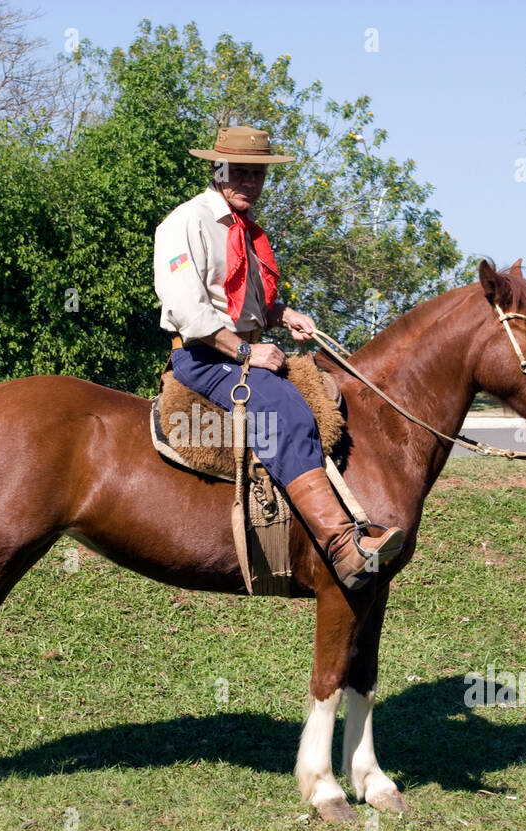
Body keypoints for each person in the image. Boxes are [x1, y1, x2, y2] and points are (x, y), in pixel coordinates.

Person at [153, 125, 403, 590]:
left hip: (239, 351)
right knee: (284, 410)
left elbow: (243, 304)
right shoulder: (185, 223)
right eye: (239, 173)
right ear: (217, 169)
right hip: (205, 357)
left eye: (258, 174)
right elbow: (190, 312)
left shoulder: (245, 231)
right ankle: (341, 546)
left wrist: (283, 314)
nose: (249, 182)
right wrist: (248, 350)